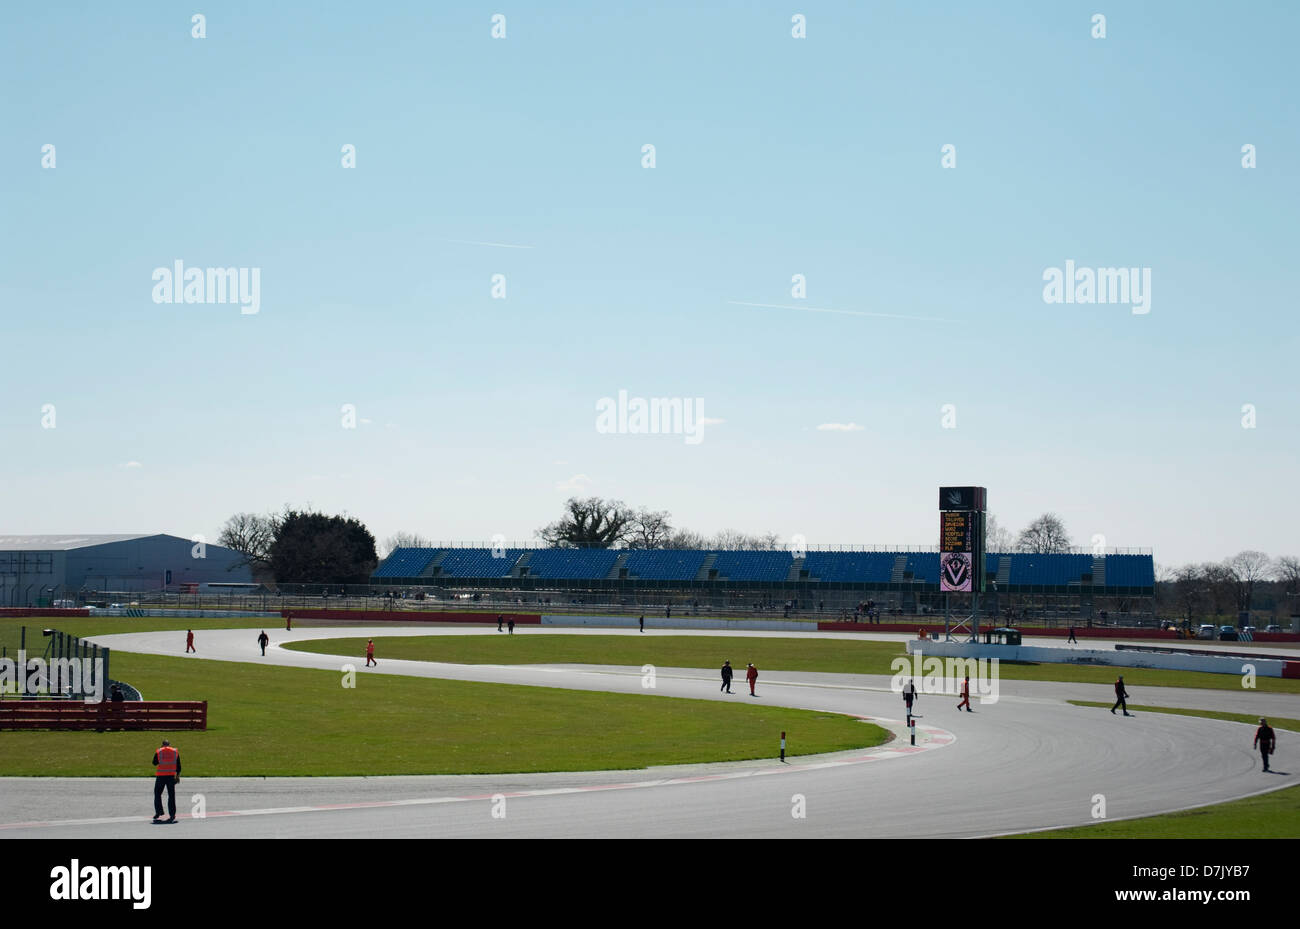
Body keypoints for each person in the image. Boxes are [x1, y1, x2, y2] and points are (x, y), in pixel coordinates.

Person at [152, 739, 181, 824]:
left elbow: (154, 763)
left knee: (157, 794)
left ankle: (159, 812)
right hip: (171, 777)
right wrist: (177, 776)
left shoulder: (159, 751)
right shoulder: (175, 752)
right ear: (169, 744)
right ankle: (172, 814)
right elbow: (179, 766)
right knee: (171, 796)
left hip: (161, 776)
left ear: (162, 744)